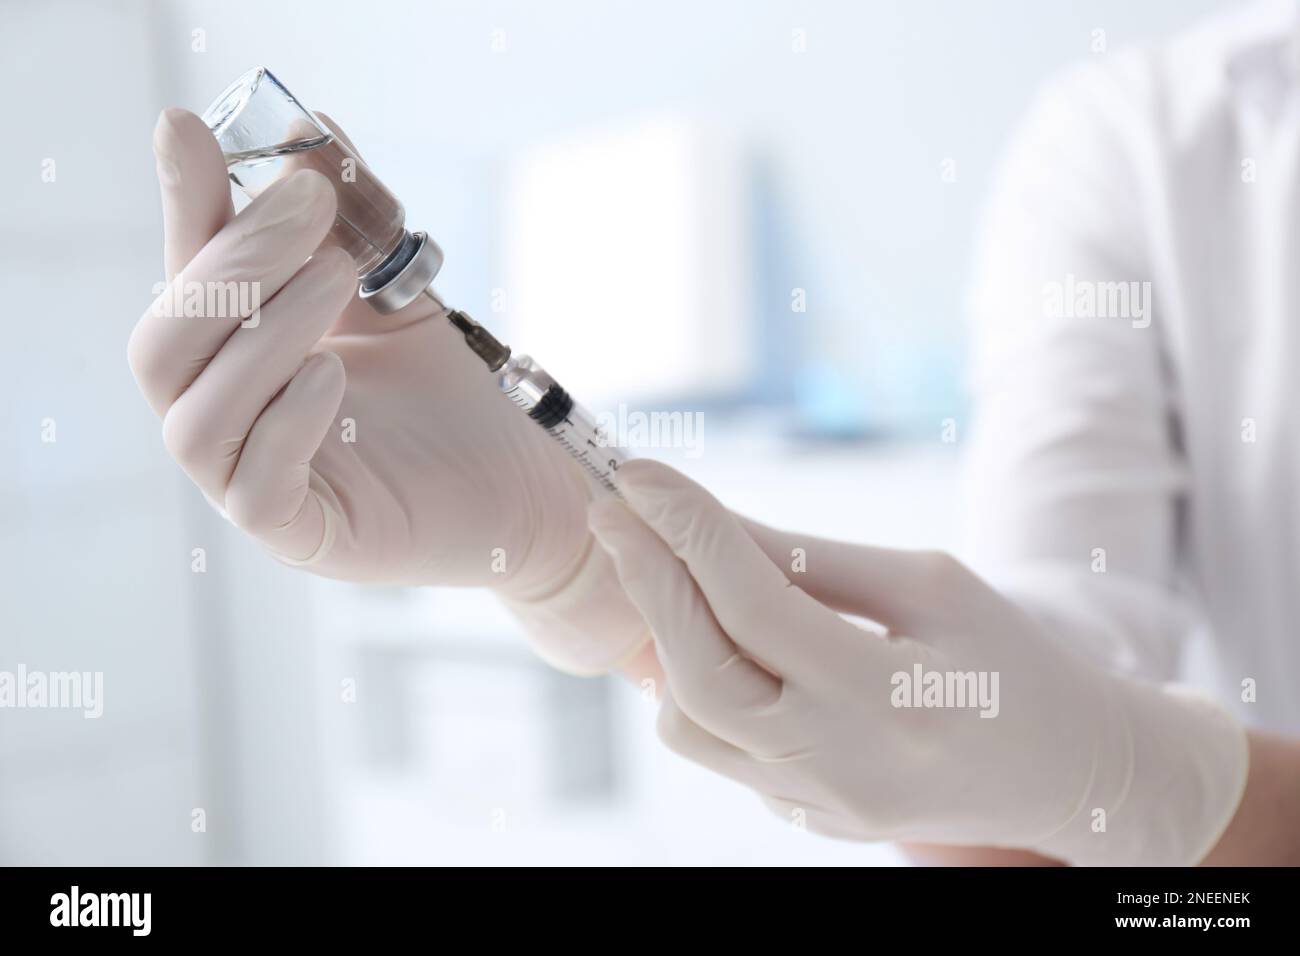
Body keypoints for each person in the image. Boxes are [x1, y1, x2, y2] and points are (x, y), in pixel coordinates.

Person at [129, 3, 1300, 866]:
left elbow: (1091, 775)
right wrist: (578, 559)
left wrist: (1160, 775)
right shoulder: (1148, 143)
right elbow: (1008, 821)